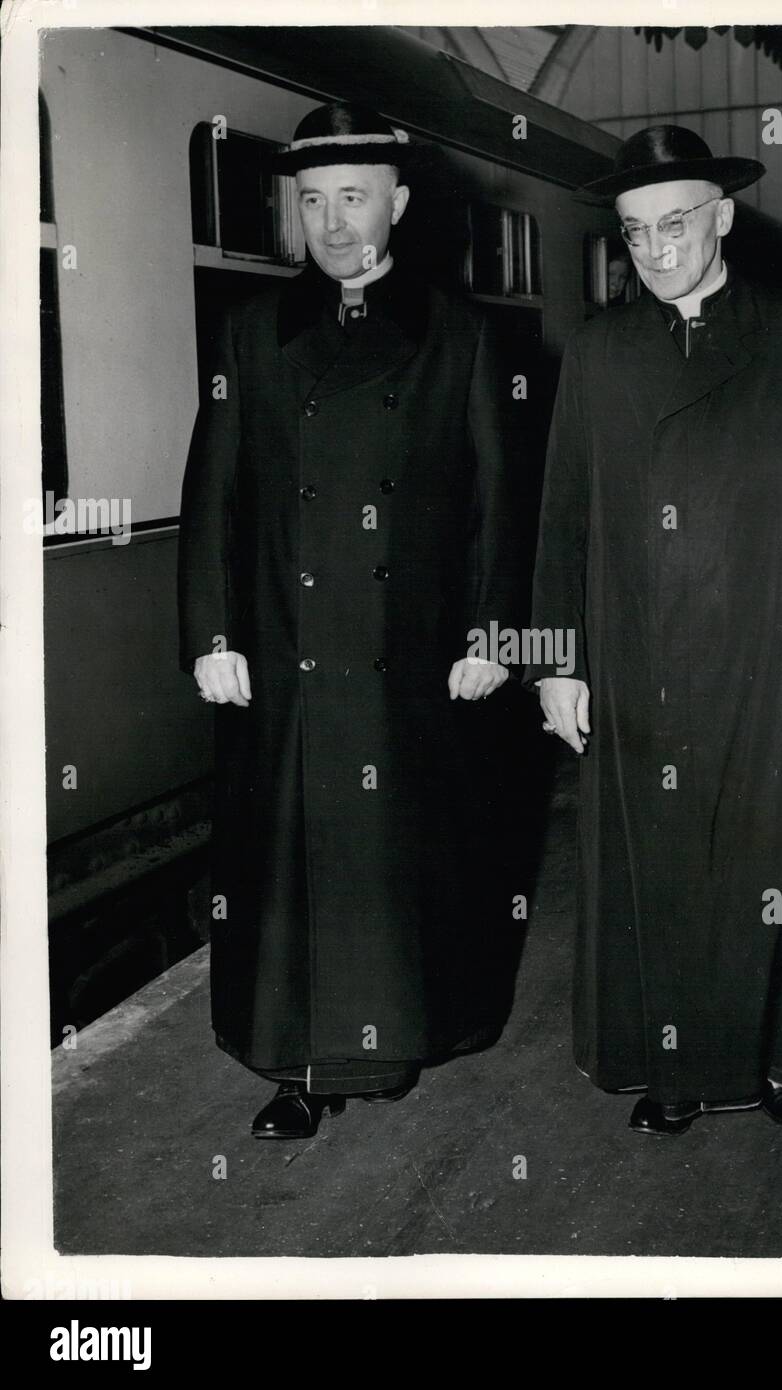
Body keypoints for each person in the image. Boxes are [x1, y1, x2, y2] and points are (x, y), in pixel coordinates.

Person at [178, 103, 531, 1139]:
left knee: (395, 863)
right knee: (290, 868)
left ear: (399, 204)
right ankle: (296, 1066)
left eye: (355, 200)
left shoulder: (462, 336)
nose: (334, 224)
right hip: (286, 661)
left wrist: (491, 633)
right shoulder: (251, 334)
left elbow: (497, 505)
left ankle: (393, 1046)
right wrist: (210, 635)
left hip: (408, 665)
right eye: (315, 201)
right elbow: (213, 498)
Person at [526, 125, 782, 1137]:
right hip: (642, 653)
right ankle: (677, 1064)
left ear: (720, 217)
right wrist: (556, 660)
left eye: (673, 221)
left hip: (769, 645)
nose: (654, 246)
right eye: (634, 229)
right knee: (666, 865)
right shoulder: (597, 352)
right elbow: (560, 515)